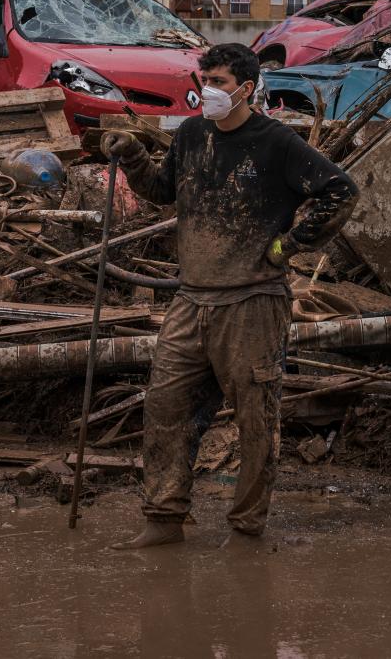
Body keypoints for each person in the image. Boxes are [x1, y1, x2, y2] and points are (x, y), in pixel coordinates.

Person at [102, 43, 358, 549]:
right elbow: (163, 189)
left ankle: (246, 527)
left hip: (252, 301)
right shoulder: (194, 135)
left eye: (218, 81)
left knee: (255, 417)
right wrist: (132, 157)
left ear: (245, 88)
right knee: (166, 407)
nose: (208, 90)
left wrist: (288, 246)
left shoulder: (276, 142)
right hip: (192, 298)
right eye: (205, 79)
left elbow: (340, 191)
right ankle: (163, 518)